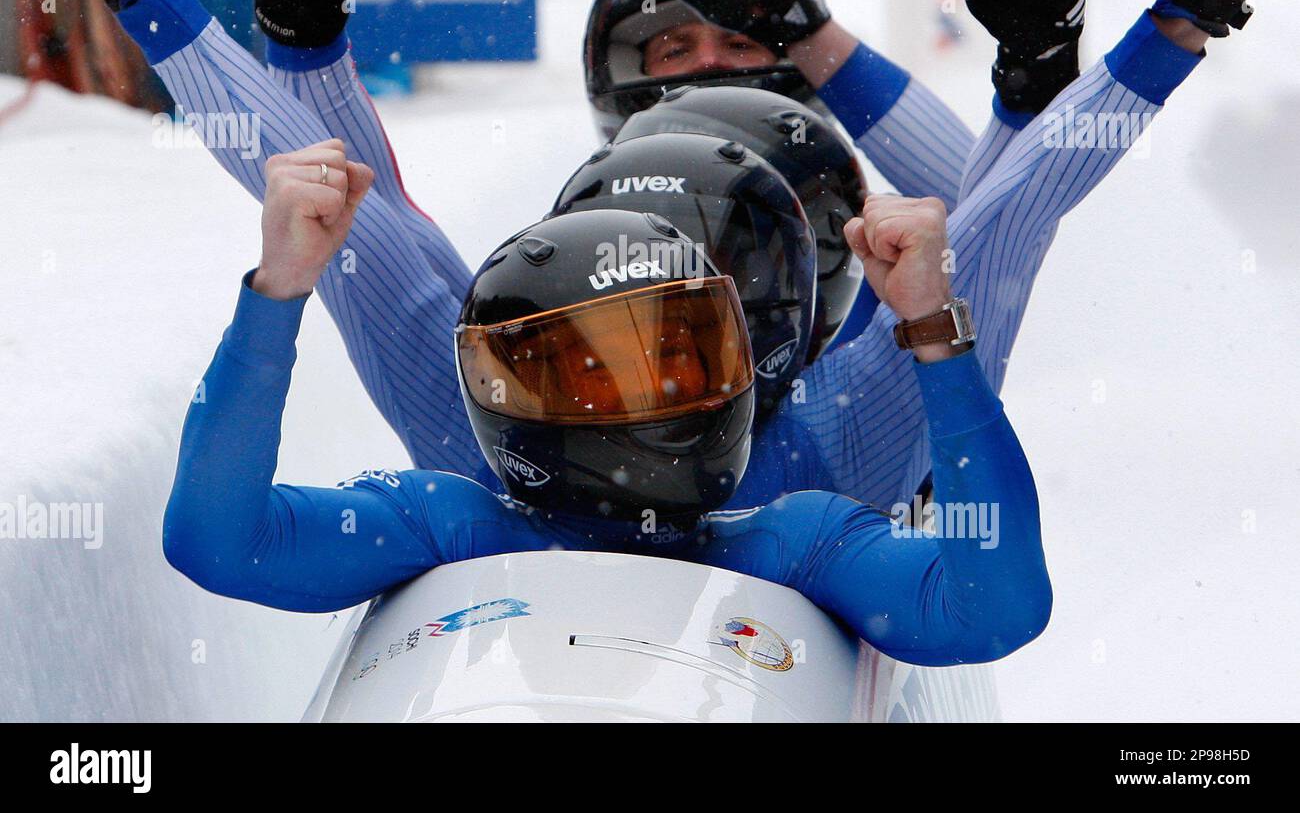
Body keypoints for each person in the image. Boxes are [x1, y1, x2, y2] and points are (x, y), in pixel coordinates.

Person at [40, 0, 1276, 507]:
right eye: (598, 346)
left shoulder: (844, 413)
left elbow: (996, 217)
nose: (638, 387)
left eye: (686, 337)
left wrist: (1067, 71)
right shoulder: (833, 431)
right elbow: (344, 202)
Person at [161, 141, 1052, 667]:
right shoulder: (446, 522)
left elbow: (997, 604)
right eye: (593, 373)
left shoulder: (799, 541)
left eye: (674, 358)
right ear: (509, 393)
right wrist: (278, 291)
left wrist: (934, 330)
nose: (643, 397)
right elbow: (217, 538)